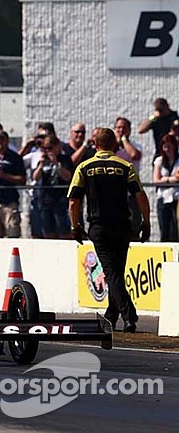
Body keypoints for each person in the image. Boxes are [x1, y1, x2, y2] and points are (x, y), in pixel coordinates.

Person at [68, 127, 150, 333]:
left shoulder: (84, 167)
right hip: (122, 226)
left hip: (99, 227)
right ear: (115, 145)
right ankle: (112, 314)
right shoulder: (125, 166)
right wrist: (146, 221)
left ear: (95, 145)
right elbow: (140, 196)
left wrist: (74, 226)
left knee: (112, 273)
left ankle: (128, 315)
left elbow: (73, 201)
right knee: (116, 272)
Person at [34, 134, 72, 238]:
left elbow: (68, 177)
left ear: (57, 147)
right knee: (48, 231)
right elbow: (35, 178)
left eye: (49, 148)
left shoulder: (64, 159)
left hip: (60, 200)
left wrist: (56, 163)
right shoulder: (43, 160)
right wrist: (41, 165)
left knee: (63, 231)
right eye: (45, 148)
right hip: (45, 200)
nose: (47, 151)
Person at [113, 117, 143, 239]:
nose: (121, 130)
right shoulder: (110, 147)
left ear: (129, 130)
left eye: (124, 127)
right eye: (118, 127)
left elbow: (134, 155)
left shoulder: (135, 146)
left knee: (133, 222)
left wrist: (124, 140)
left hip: (131, 192)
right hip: (114, 192)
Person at [152, 134, 179, 242]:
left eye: (169, 146)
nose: (167, 149)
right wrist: (172, 179)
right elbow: (156, 180)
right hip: (163, 198)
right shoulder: (159, 161)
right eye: (165, 147)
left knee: (176, 228)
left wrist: (164, 179)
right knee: (164, 229)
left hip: (176, 198)